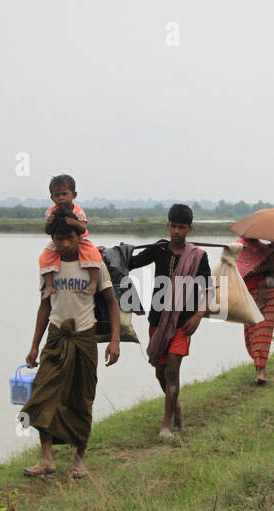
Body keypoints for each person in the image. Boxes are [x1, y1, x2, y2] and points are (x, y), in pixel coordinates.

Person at [23, 215, 122, 477]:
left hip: (85, 337)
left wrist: (114, 340)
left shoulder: (93, 263)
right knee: (43, 395)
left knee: (82, 397)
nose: (66, 243)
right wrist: (34, 346)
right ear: (52, 240)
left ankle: (79, 460)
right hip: (56, 337)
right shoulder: (48, 268)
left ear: (80, 237)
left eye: (70, 237)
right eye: (60, 238)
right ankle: (47, 459)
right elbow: (45, 306)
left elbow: (111, 302)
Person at [130, 204, 212, 439]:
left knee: (173, 368)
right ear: (167, 226)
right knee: (160, 370)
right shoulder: (159, 250)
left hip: (184, 322)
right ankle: (175, 406)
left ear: (189, 229)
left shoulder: (198, 256)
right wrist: (106, 253)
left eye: (181, 227)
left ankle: (166, 424)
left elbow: (208, 288)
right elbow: (132, 263)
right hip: (158, 319)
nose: (176, 231)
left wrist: (198, 315)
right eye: (173, 226)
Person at [39, 174, 104, 296]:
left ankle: (93, 283)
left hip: (80, 239)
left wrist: (74, 222)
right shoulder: (50, 212)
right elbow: (48, 231)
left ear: (74, 195)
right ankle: (49, 285)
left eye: (64, 194)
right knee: (45, 256)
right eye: (57, 195)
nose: (61, 198)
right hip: (57, 240)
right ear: (52, 197)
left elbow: (83, 229)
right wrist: (49, 223)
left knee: (93, 254)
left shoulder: (78, 211)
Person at [235, 236, 274, 384]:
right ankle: (258, 362)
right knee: (251, 335)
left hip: (268, 296)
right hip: (248, 296)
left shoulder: (268, 251)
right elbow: (240, 272)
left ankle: (261, 369)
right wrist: (268, 267)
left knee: (263, 332)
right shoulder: (238, 248)